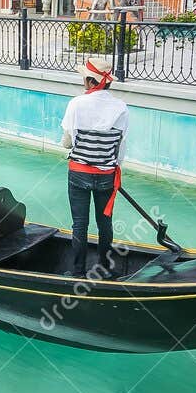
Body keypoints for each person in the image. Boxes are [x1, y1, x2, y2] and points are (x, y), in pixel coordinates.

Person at [62, 59, 129, 278]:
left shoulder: (77, 103)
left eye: (84, 77)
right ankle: (105, 269)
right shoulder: (120, 107)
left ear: (91, 81)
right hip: (106, 175)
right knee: (105, 223)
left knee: (80, 224)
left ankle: (78, 272)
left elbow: (67, 142)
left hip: (79, 172)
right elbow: (120, 148)